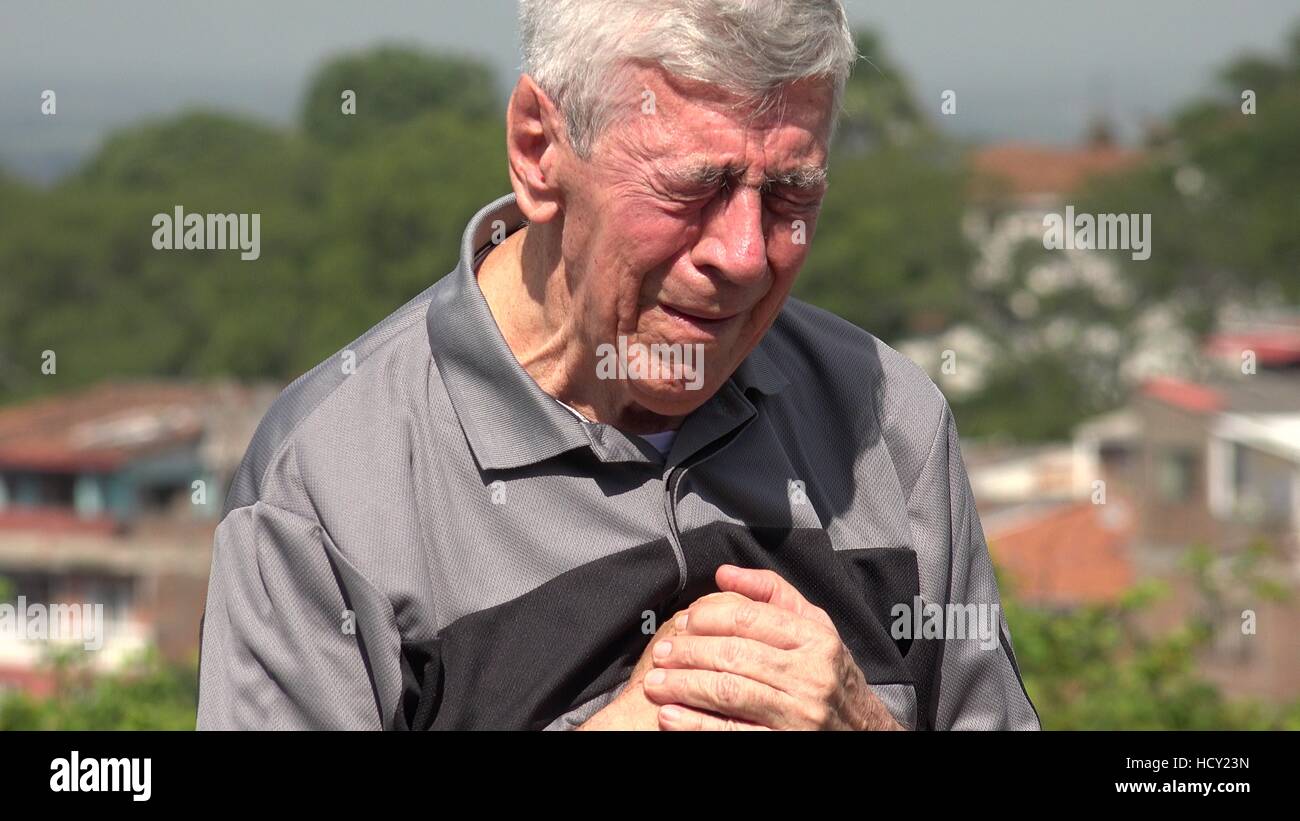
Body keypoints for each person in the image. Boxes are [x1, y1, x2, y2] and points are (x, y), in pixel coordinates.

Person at [197, 0, 1040, 731]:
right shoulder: (326, 488)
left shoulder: (888, 422)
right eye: (690, 190)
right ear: (538, 149)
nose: (744, 255)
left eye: (791, 195)